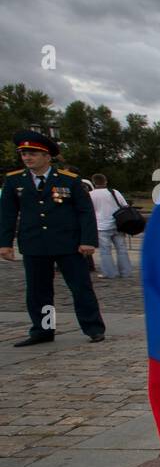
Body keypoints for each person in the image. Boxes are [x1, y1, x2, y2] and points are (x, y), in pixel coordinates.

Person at [0, 130, 105, 346]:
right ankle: (43, 329)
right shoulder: (14, 181)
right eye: (24, 154)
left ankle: (93, 327)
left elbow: (85, 211)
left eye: (33, 154)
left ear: (47, 156)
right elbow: (8, 214)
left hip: (68, 243)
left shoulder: (70, 180)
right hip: (34, 243)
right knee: (39, 291)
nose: (27, 158)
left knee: (80, 287)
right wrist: (5, 243)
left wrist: (88, 240)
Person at [89, 174, 133, 279]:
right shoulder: (114, 192)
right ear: (106, 181)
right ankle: (125, 272)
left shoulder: (90, 194)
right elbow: (125, 205)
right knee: (122, 249)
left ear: (94, 182)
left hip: (101, 225)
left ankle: (109, 273)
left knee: (105, 251)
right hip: (117, 224)